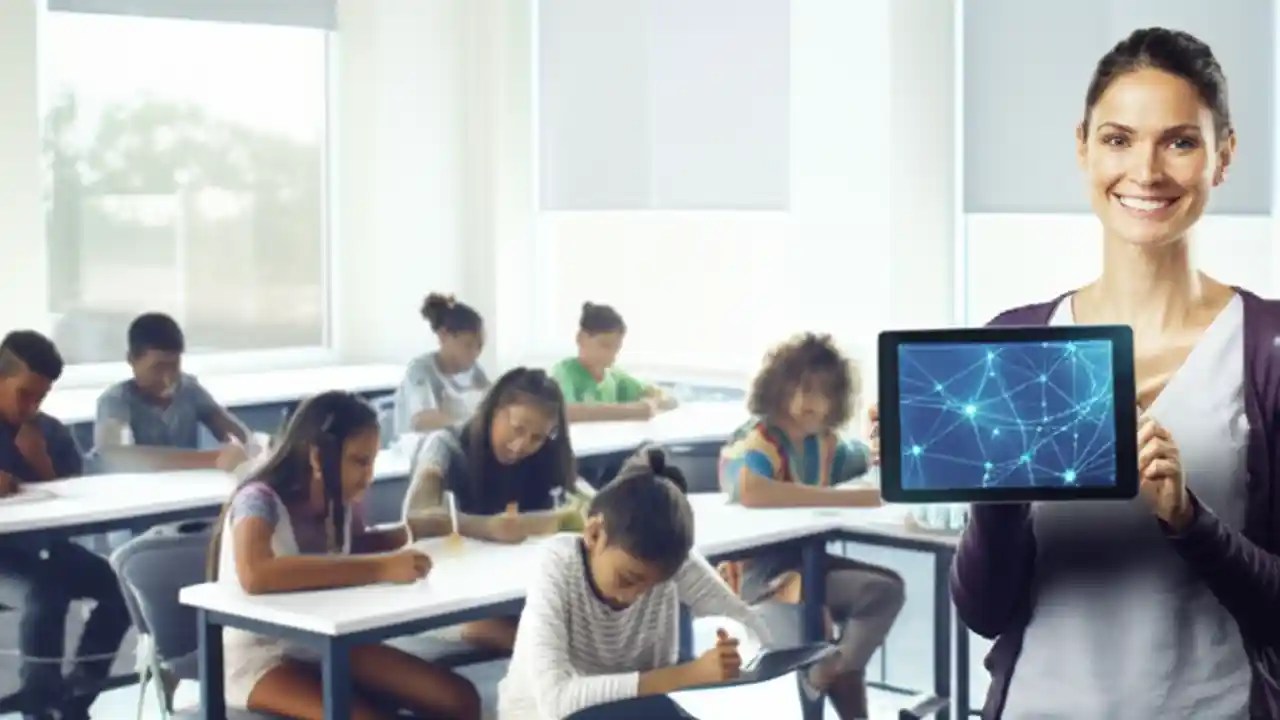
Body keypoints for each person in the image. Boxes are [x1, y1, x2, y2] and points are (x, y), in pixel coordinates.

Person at [934, 27, 1280, 720]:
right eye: (1119, 139)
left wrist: (1188, 520)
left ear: (1224, 157)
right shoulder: (1018, 342)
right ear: (1083, 147)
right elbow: (986, 608)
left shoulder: (1267, 346)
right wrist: (990, 485)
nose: (1146, 172)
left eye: (1179, 141)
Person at [207, 390, 480, 720]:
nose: (369, 476)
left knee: (460, 700)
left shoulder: (340, 500)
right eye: (359, 461)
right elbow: (257, 573)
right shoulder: (258, 500)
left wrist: (414, 532)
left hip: (327, 642)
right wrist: (380, 568)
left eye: (372, 461)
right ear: (318, 457)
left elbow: (353, 548)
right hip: (262, 656)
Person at [497, 445, 771, 720]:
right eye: (627, 579)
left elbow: (753, 629)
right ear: (594, 534)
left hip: (636, 710)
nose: (635, 597)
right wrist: (687, 675)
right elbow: (557, 700)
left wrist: (733, 655)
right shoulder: (557, 565)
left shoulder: (669, 560)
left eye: (652, 586)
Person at [719, 332, 904, 720]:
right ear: (777, 389)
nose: (809, 403)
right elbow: (753, 489)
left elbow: (867, 458)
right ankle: (828, 674)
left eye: (822, 393)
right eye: (800, 390)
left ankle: (823, 673)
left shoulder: (826, 444)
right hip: (760, 580)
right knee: (819, 628)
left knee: (884, 591)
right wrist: (849, 499)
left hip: (809, 565)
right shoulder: (756, 439)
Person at [402, 367, 580, 651]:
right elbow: (416, 518)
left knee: (571, 632)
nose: (522, 445)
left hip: (509, 589)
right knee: (543, 644)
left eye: (537, 438)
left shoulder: (546, 458)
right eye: (517, 427)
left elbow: (580, 508)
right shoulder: (444, 446)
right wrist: (488, 527)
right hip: (444, 597)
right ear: (495, 409)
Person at [0, 331, 130, 720]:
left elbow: (78, 496)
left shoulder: (48, 431)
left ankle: (76, 695)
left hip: (47, 548)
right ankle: (40, 708)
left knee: (122, 587)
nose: (31, 406)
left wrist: (39, 461)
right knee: (45, 596)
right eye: (24, 394)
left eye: (41, 397)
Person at [94, 312, 249, 472]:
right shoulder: (115, 401)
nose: (168, 379)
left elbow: (239, 436)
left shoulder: (189, 390)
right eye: (158, 368)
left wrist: (240, 448)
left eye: (174, 367)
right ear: (131, 360)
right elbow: (115, 456)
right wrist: (212, 459)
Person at [551, 302, 676, 422]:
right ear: (581, 338)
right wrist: (632, 410)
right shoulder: (564, 373)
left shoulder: (615, 378)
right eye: (605, 346)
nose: (611, 354)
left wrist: (653, 402)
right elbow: (564, 412)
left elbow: (664, 398)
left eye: (616, 348)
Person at [393, 292, 491, 435]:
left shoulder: (475, 371)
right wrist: (470, 426)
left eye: (479, 346)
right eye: (468, 345)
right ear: (443, 335)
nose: (475, 353)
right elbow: (422, 419)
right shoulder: (421, 370)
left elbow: (493, 402)